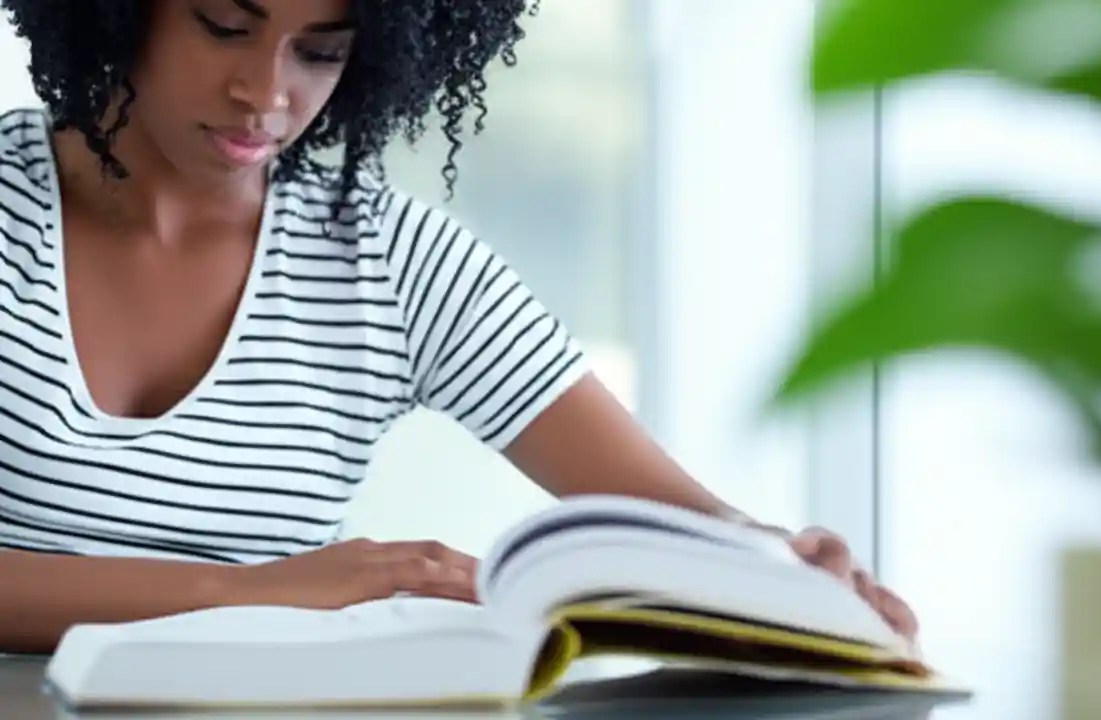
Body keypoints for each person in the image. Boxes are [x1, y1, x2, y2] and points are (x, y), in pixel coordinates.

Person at [0, 0, 917, 655]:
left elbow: (672, 518)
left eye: (320, 51)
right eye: (225, 25)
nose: (264, 93)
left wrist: (787, 570)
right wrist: (246, 592)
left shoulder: (387, 260)